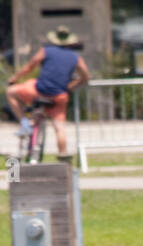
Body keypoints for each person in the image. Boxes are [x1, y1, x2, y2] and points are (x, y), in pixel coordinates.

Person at [6, 25, 90, 158]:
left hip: (38, 91)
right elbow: (86, 76)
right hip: (58, 96)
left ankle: (24, 121)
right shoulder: (75, 57)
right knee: (59, 127)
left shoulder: (46, 51)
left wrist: (14, 78)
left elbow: (29, 66)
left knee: (11, 92)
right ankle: (63, 154)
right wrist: (72, 85)